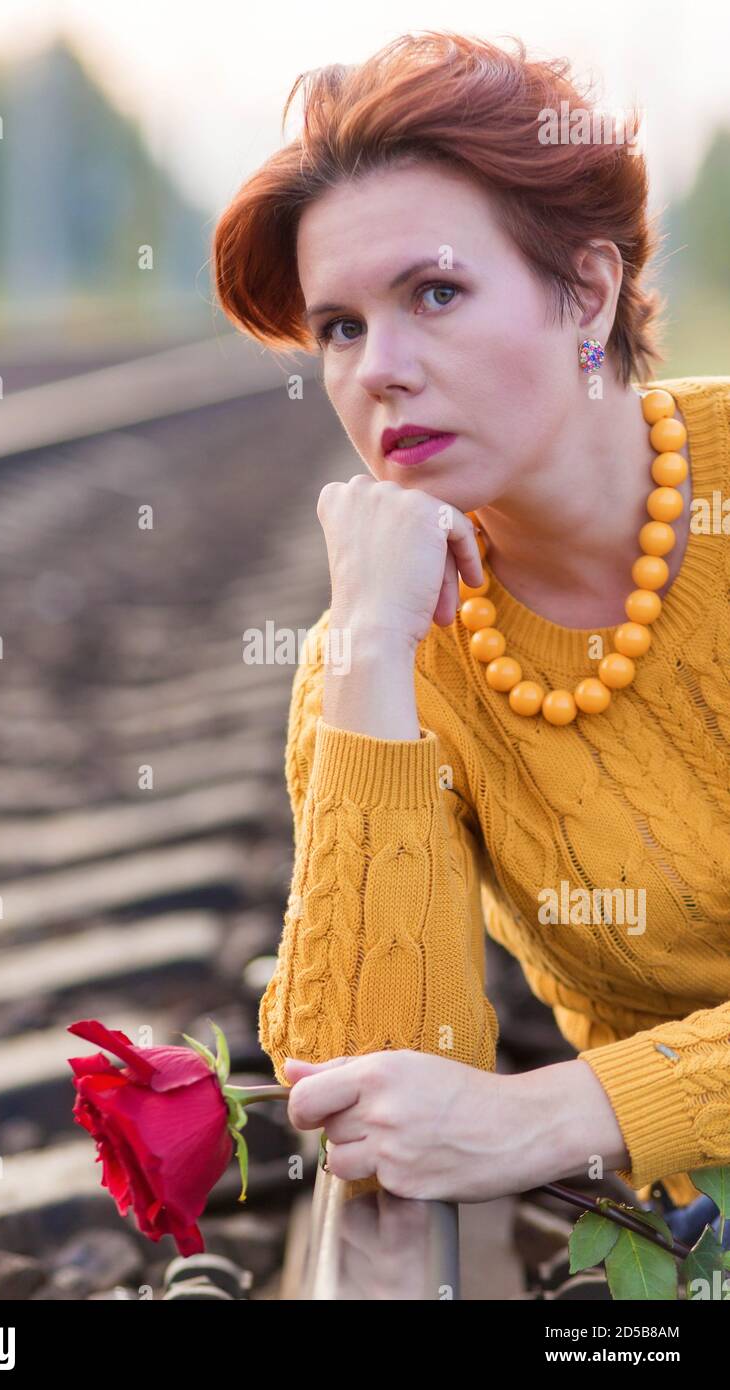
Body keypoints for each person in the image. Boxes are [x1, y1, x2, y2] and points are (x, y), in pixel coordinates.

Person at [212, 31, 730, 1226]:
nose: (378, 370)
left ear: (585, 293)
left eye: (434, 293)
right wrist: (367, 655)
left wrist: (558, 1111)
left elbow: (484, 1120)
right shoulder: (389, 652)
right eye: (337, 327)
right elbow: (367, 1091)